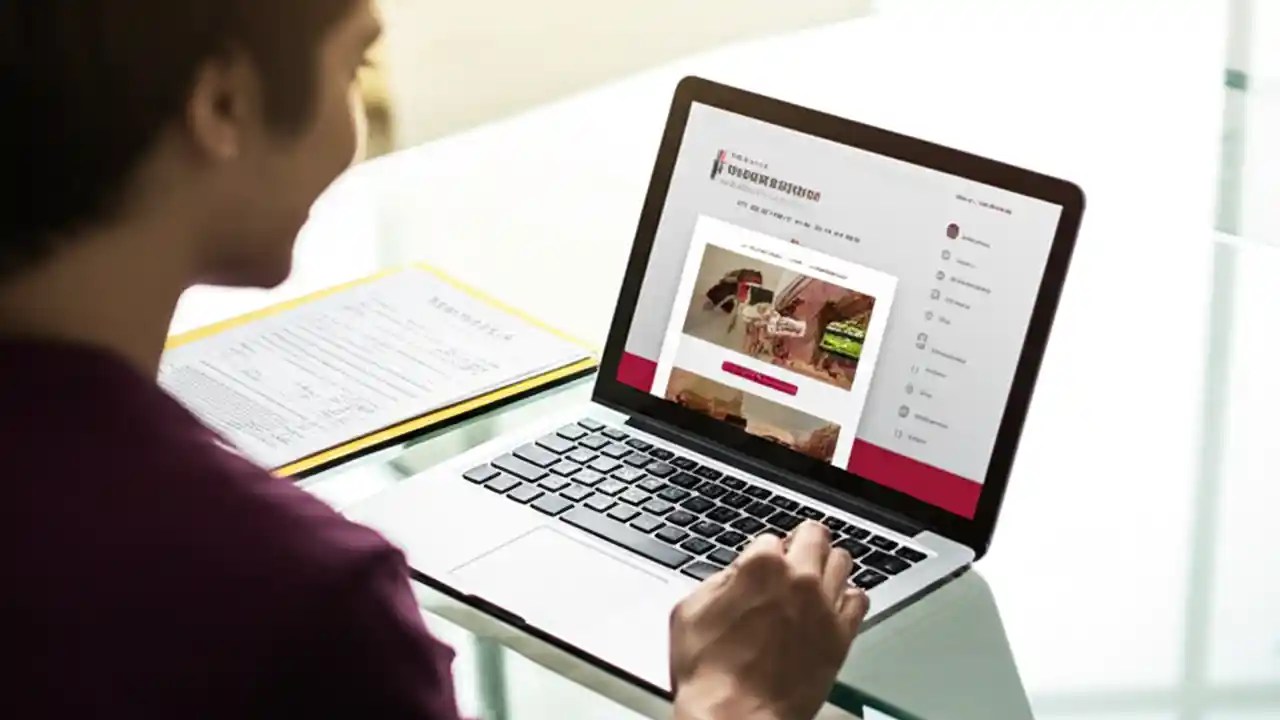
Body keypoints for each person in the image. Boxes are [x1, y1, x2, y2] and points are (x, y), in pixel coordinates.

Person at [0, 2, 870, 718]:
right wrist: (731, 704)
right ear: (222, 106)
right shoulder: (306, 612)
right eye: (352, 67)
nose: (355, 132)